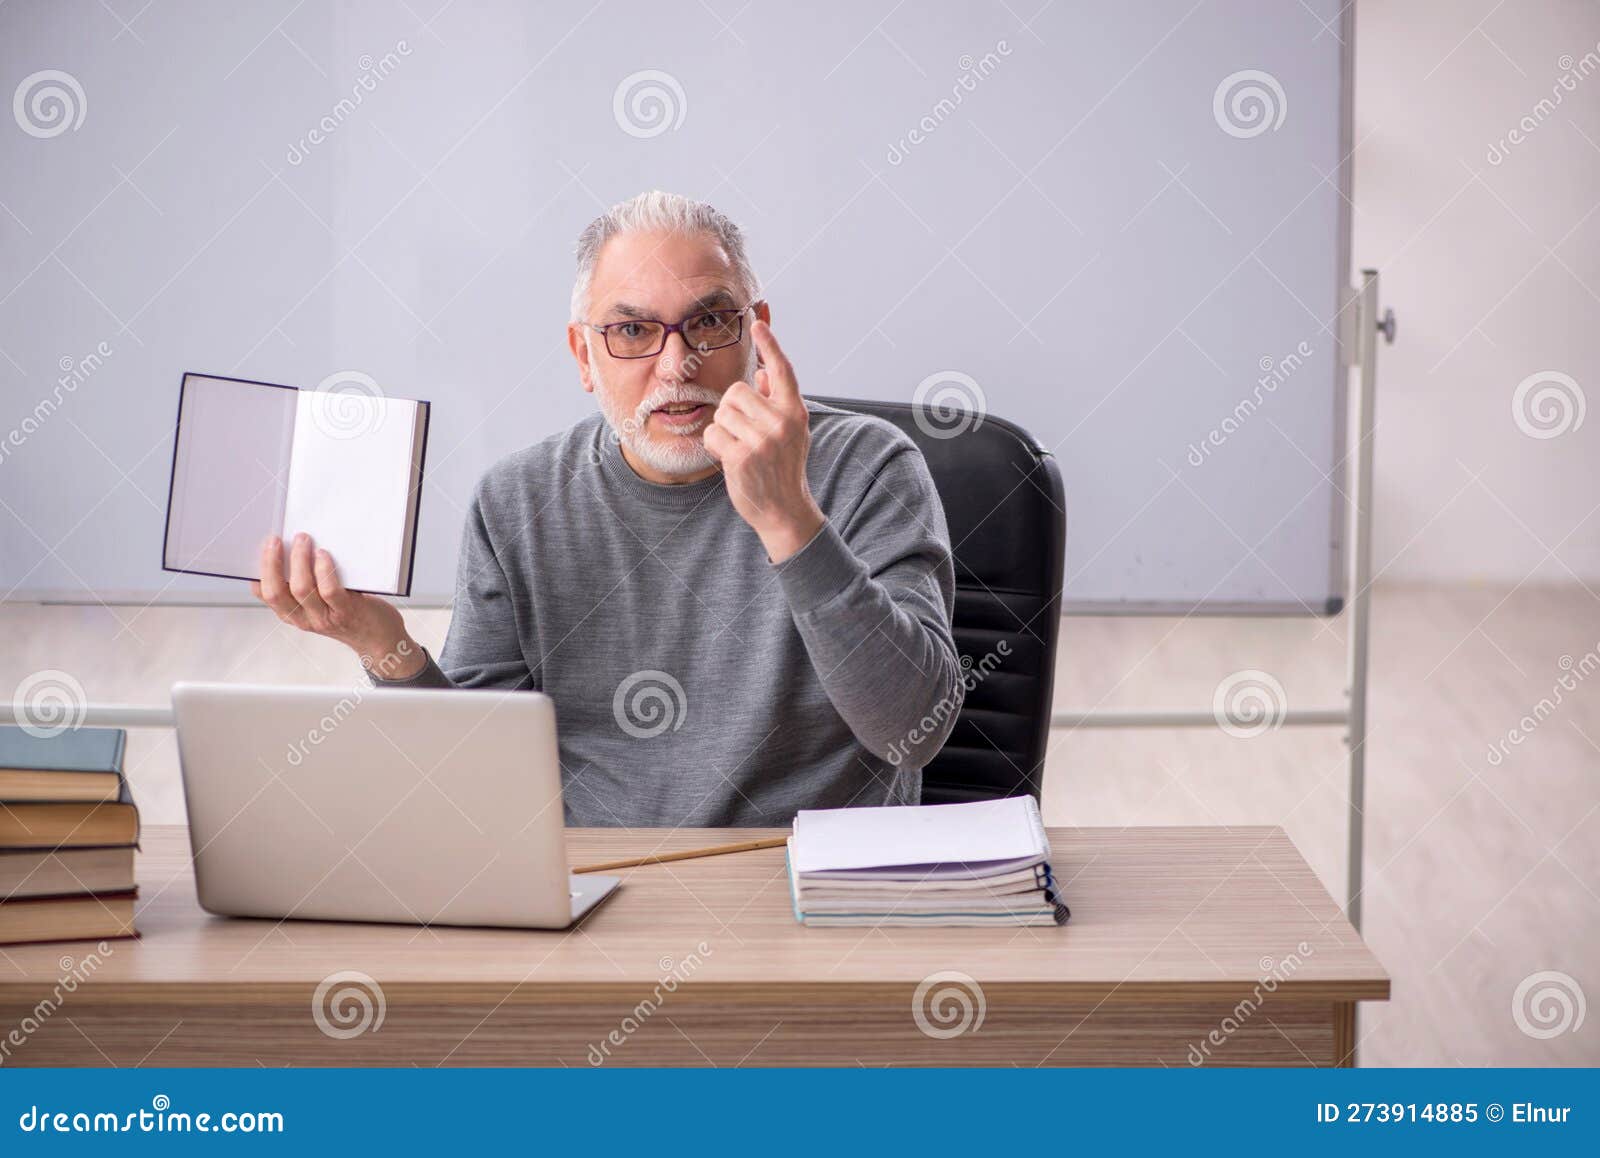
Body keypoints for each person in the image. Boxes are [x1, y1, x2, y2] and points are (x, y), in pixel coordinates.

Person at [252, 190, 964, 826]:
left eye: (710, 321)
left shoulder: (867, 465)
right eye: (631, 331)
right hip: (596, 898)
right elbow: (473, 798)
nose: (676, 364)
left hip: (805, 898)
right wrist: (383, 645)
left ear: (758, 335)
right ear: (583, 356)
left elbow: (912, 730)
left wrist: (790, 521)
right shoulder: (518, 502)